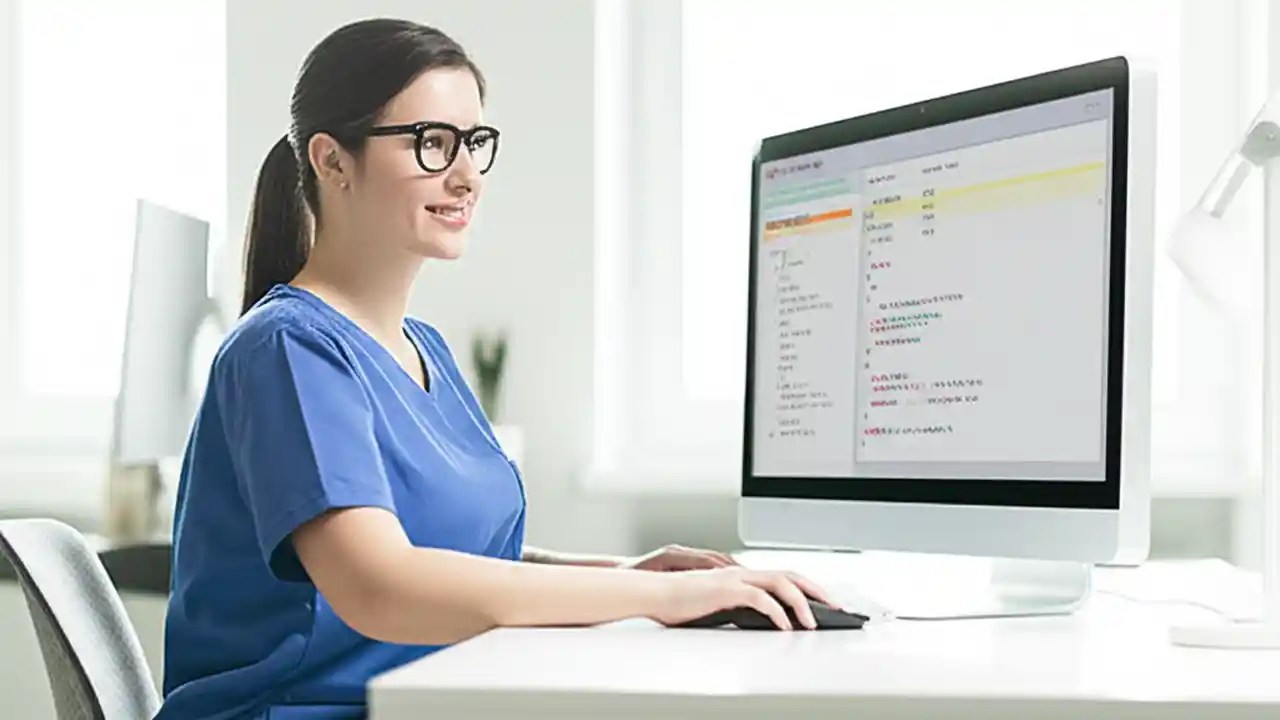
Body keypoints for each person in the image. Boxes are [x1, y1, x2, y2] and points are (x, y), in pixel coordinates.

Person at [157, 18, 832, 720]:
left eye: (475, 143)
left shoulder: (426, 352)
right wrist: (662, 600)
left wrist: (627, 571)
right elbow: (381, 584)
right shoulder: (287, 349)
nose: (466, 174)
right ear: (332, 162)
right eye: (432, 143)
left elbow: (457, 556)